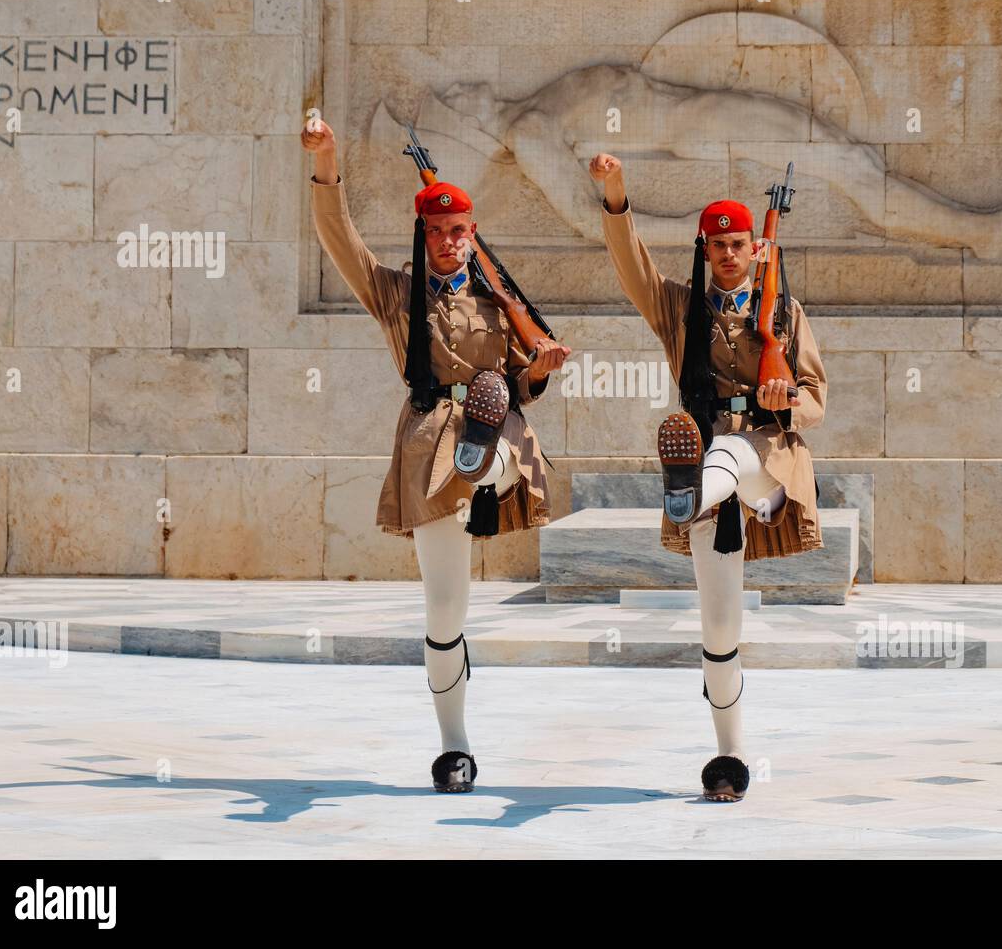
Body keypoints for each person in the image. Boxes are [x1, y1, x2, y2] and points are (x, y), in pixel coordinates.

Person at [303, 117, 569, 793]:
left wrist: (538, 366)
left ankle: (484, 467)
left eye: (461, 230)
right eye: (439, 231)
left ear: (471, 234)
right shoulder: (396, 293)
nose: (451, 242)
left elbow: (521, 381)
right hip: (430, 445)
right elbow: (340, 239)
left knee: (496, 420)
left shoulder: (495, 299)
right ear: (423, 235)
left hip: (494, 424)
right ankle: (455, 746)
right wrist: (328, 162)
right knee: (446, 612)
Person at [590, 152, 828, 802]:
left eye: (738, 244)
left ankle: (709, 490)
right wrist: (616, 196)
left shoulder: (784, 312)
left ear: (756, 248)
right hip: (703, 457)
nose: (728, 254)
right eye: (717, 245)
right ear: (706, 248)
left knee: (730, 460)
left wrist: (785, 399)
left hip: (764, 449)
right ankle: (730, 756)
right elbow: (631, 265)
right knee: (719, 631)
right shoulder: (681, 308)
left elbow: (816, 397)